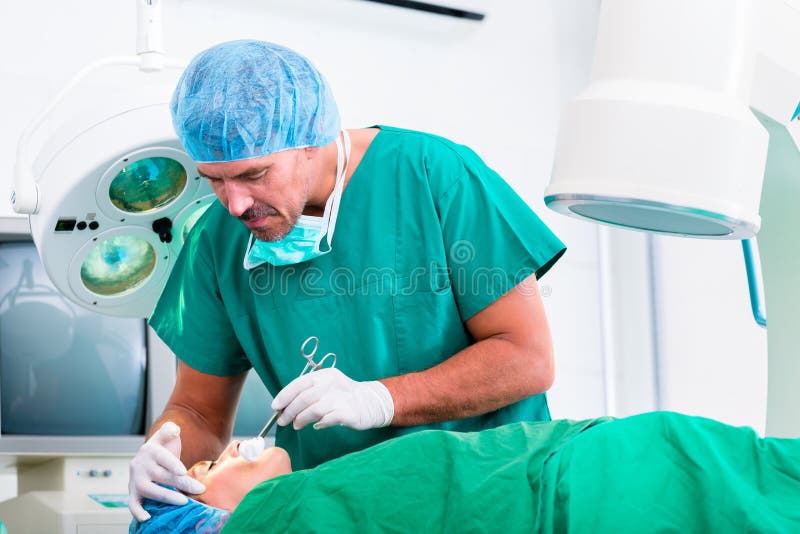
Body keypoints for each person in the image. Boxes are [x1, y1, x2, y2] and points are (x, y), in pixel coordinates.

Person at [129, 38, 566, 521]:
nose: (234, 203)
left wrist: (380, 398)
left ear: (311, 140)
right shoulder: (216, 241)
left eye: (255, 174)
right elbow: (197, 410)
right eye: (214, 179)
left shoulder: (432, 175)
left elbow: (528, 357)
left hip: (488, 498)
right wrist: (162, 454)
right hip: (341, 514)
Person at [130, 412, 800, 533]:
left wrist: (384, 398)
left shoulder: (307, 494)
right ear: (206, 521)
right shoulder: (284, 518)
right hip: (608, 493)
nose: (226, 447)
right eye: (208, 465)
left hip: (607, 463)